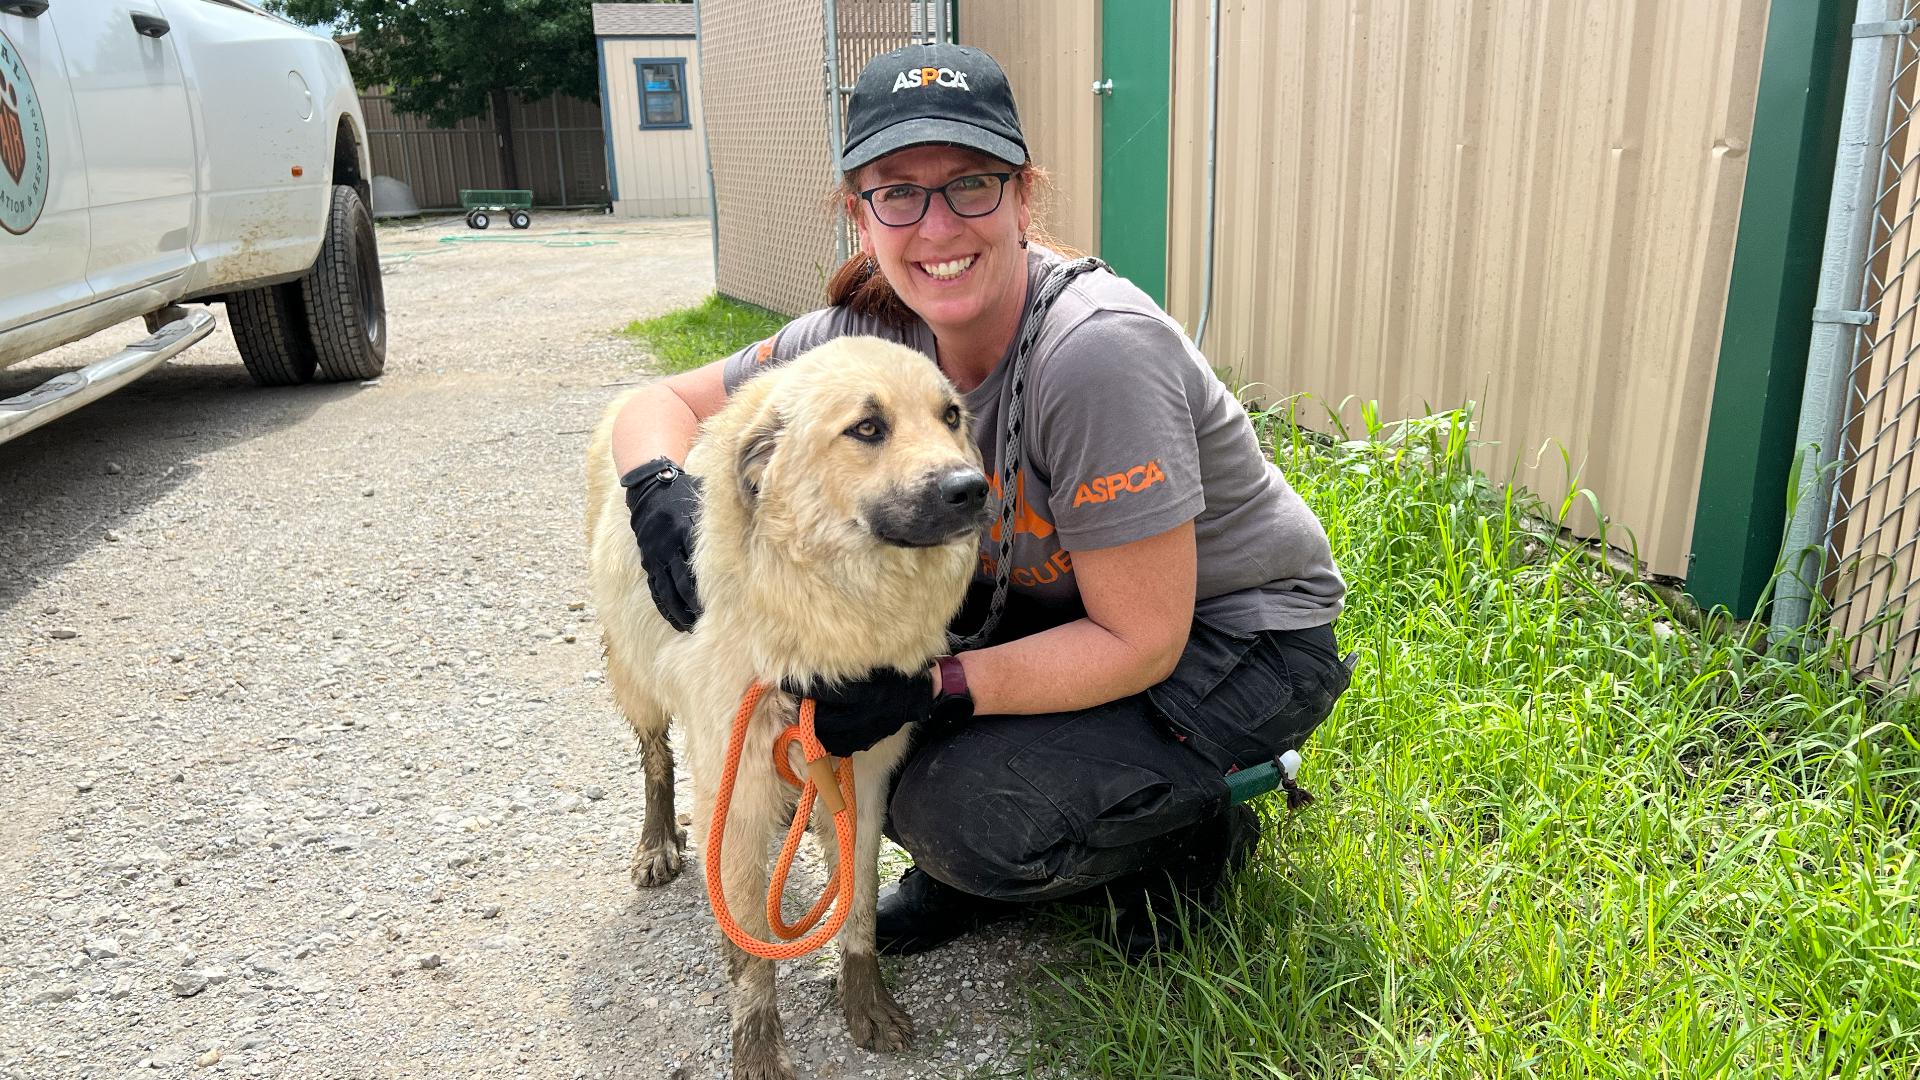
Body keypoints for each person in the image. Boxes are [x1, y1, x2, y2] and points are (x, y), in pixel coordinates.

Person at [610, 43, 1349, 958]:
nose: (936, 227)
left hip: (1235, 641)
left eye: (971, 185)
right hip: (1059, 613)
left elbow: (1142, 638)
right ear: (861, 216)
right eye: (898, 193)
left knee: (958, 811)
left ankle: (1191, 830)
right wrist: (658, 489)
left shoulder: (1094, 353)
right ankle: (1008, 848)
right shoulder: (860, 335)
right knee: (863, 742)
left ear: (1022, 198)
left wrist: (929, 689)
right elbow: (658, 404)